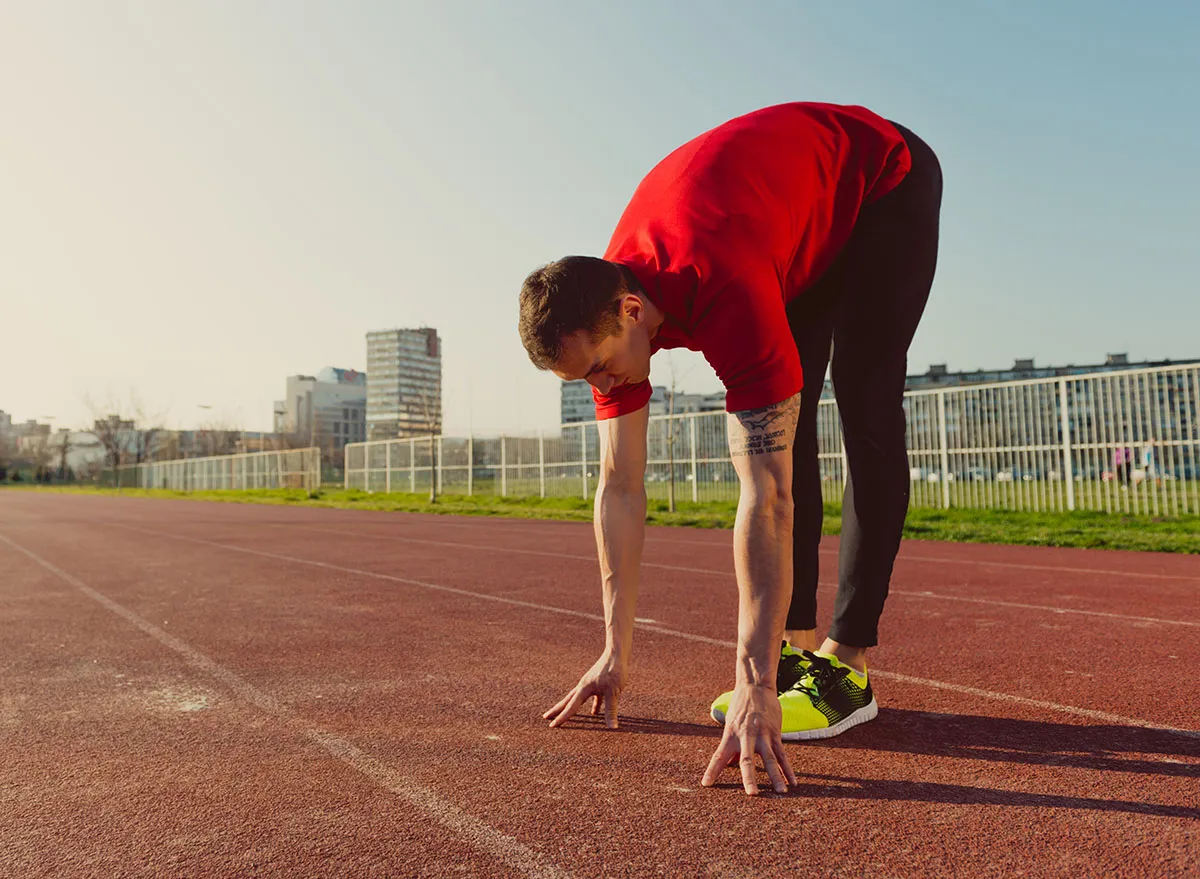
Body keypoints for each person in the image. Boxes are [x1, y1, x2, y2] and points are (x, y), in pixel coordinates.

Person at [518, 102, 942, 796]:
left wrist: (753, 684)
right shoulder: (602, 316)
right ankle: (795, 646)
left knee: (862, 397)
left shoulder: (725, 284)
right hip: (784, 213)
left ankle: (847, 659)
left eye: (597, 370)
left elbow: (765, 497)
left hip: (879, 184)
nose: (598, 386)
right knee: (789, 426)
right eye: (581, 380)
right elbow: (620, 487)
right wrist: (613, 651)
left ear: (630, 312)